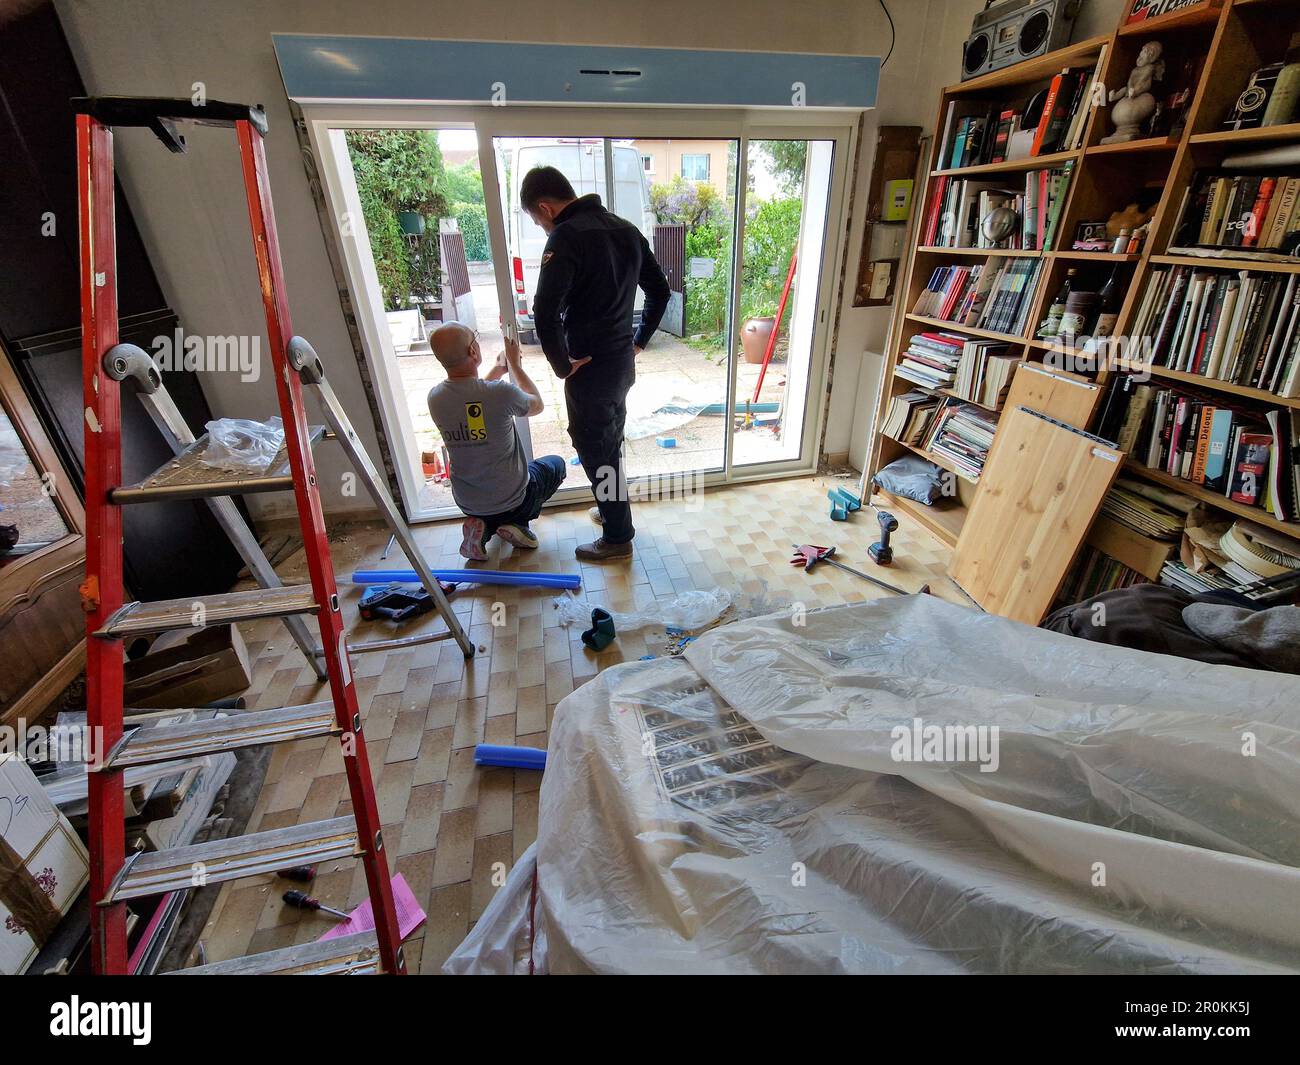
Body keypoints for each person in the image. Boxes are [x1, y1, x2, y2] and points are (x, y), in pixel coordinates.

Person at [523, 165, 670, 562]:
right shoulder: (624, 228)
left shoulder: (565, 236)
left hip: (588, 369)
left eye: (537, 220)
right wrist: (639, 340)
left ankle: (619, 537)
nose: (541, 227)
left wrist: (561, 364)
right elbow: (661, 290)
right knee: (609, 442)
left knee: (595, 449)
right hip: (621, 365)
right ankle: (612, 514)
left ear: (544, 207)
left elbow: (544, 310)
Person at [427, 322, 566, 561]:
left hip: (467, 501)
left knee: (488, 506)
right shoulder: (501, 393)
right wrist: (515, 366)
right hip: (514, 500)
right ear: (473, 351)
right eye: (475, 339)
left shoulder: (435, 398)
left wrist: (497, 369)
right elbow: (537, 404)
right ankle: (517, 524)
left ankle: (482, 529)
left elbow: (474, 404)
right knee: (556, 465)